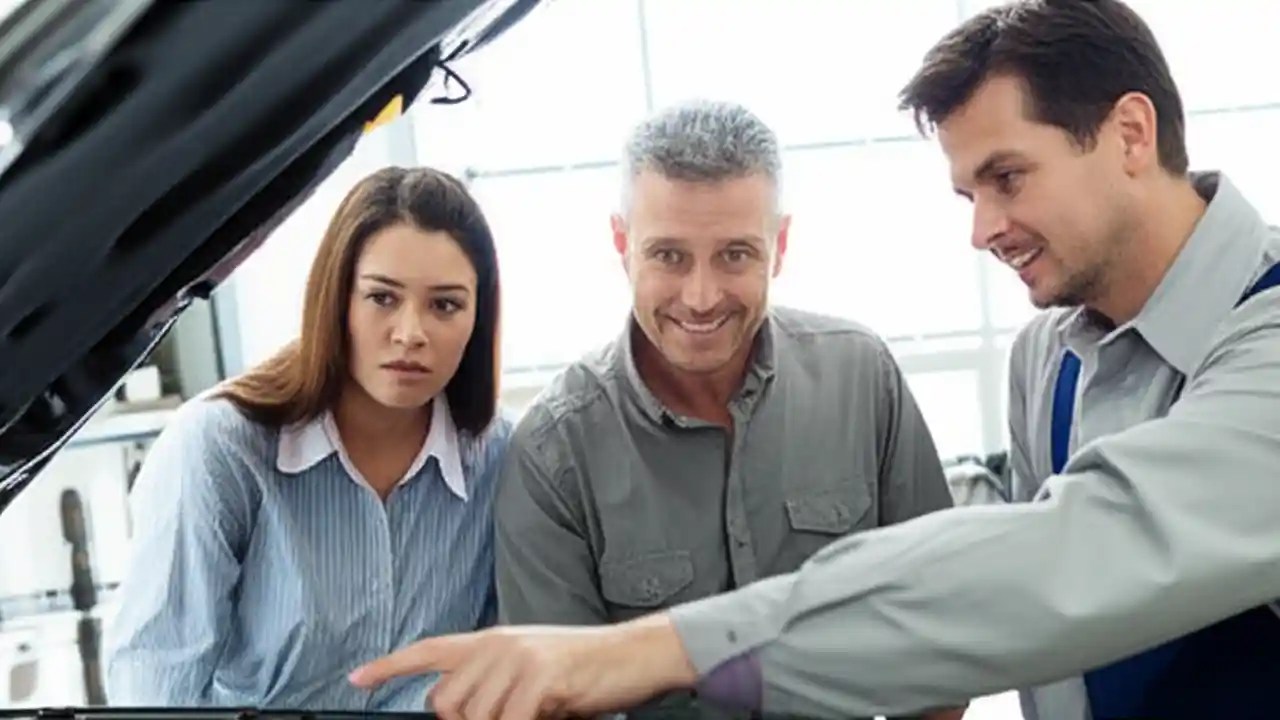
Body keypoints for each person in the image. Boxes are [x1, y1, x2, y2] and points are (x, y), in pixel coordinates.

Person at [345, 2, 1280, 719]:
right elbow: (1044, 644)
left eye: (1007, 177)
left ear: (1128, 133)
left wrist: (652, 650)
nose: (983, 229)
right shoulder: (1048, 357)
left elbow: (1065, 556)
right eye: (968, 191)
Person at [490, 100, 958, 719]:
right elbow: (555, 701)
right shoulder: (555, 450)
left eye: (735, 254)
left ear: (780, 245)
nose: (702, 297)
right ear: (622, 244)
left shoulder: (862, 378)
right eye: (669, 256)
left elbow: (936, 633)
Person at [105, 166, 512, 711]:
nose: (410, 333)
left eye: (445, 305)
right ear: (336, 300)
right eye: (382, 298)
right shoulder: (220, 448)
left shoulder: (502, 457)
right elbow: (155, 688)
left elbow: (506, 672)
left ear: (477, 317)